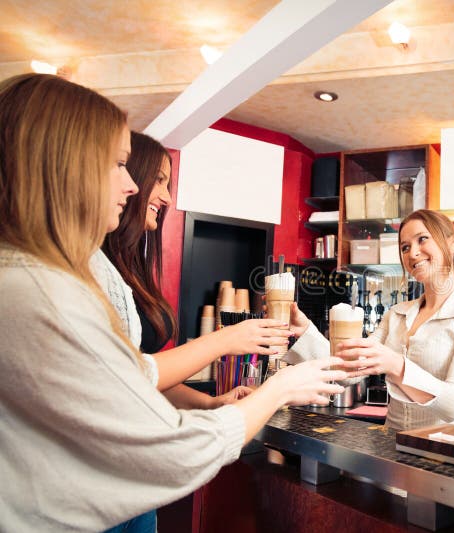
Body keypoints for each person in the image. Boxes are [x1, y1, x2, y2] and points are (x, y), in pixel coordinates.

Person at [0, 73, 345, 532]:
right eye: (119, 165)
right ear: (66, 165)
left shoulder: (42, 278)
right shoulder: (44, 292)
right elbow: (171, 452)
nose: (132, 186)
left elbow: (131, 374)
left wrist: (215, 402)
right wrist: (277, 389)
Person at [100, 131, 287, 409]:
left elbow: (147, 372)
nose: (166, 198)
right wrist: (225, 339)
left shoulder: (130, 266)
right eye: (159, 181)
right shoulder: (95, 266)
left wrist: (211, 403)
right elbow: (130, 374)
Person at [287, 209, 454, 430]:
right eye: (405, 247)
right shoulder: (396, 313)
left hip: (443, 447)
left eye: (422, 239)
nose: (413, 253)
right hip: (391, 446)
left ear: (453, 244)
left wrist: (397, 365)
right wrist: (305, 330)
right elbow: (348, 372)